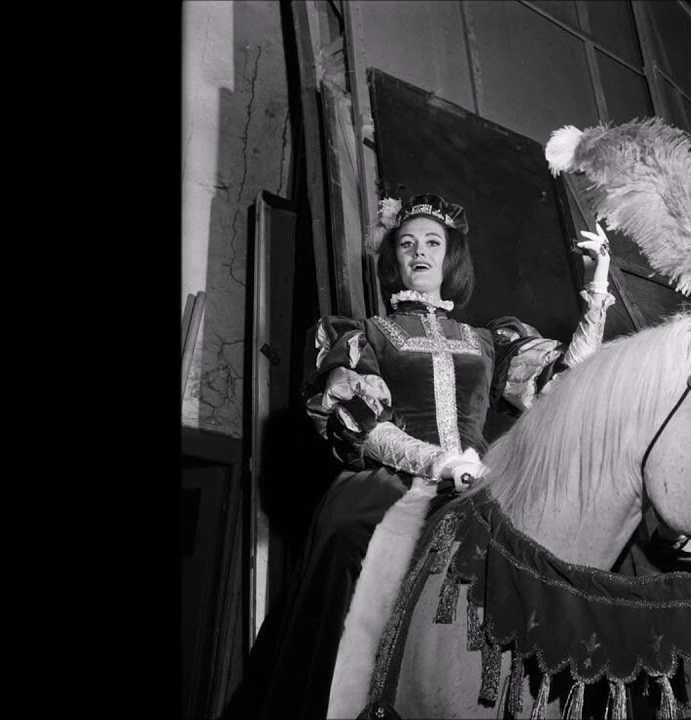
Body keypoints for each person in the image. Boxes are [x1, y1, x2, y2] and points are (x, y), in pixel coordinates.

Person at [225, 193, 616, 720]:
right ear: (396, 259)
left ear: (451, 257)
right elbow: (360, 427)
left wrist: (596, 293)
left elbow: (561, 388)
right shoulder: (365, 334)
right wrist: (439, 464)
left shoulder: (486, 339)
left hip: (479, 483)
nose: (420, 252)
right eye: (408, 244)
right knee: (344, 533)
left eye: (433, 242)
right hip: (389, 481)